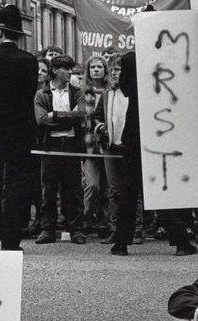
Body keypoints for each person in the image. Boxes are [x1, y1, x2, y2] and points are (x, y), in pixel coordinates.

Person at [0, 4, 39, 251]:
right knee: (17, 186)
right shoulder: (28, 61)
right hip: (20, 133)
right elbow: (28, 96)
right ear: (18, 35)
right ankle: (11, 240)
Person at [34, 54, 87, 246]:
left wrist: (55, 115)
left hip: (72, 144)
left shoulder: (76, 92)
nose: (69, 73)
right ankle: (47, 229)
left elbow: (81, 115)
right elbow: (41, 120)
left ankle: (77, 229)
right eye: (65, 69)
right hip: (50, 146)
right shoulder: (42, 94)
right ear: (55, 70)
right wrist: (67, 118)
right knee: (48, 190)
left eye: (71, 69)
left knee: (74, 190)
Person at [94, 56, 144, 256]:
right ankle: (180, 239)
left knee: (130, 193)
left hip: (132, 141)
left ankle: (124, 239)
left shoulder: (131, 72)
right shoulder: (110, 93)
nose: (115, 74)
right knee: (128, 191)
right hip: (131, 141)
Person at [82, 54, 111, 236]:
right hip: (89, 145)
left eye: (99, 67)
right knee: (92, 185)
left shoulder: (112, 90)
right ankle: (84, 221)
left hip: (108, 144)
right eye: (93, 67)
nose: (96, 70)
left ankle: (106, 223)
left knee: (108, 187)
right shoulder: (83, 92)